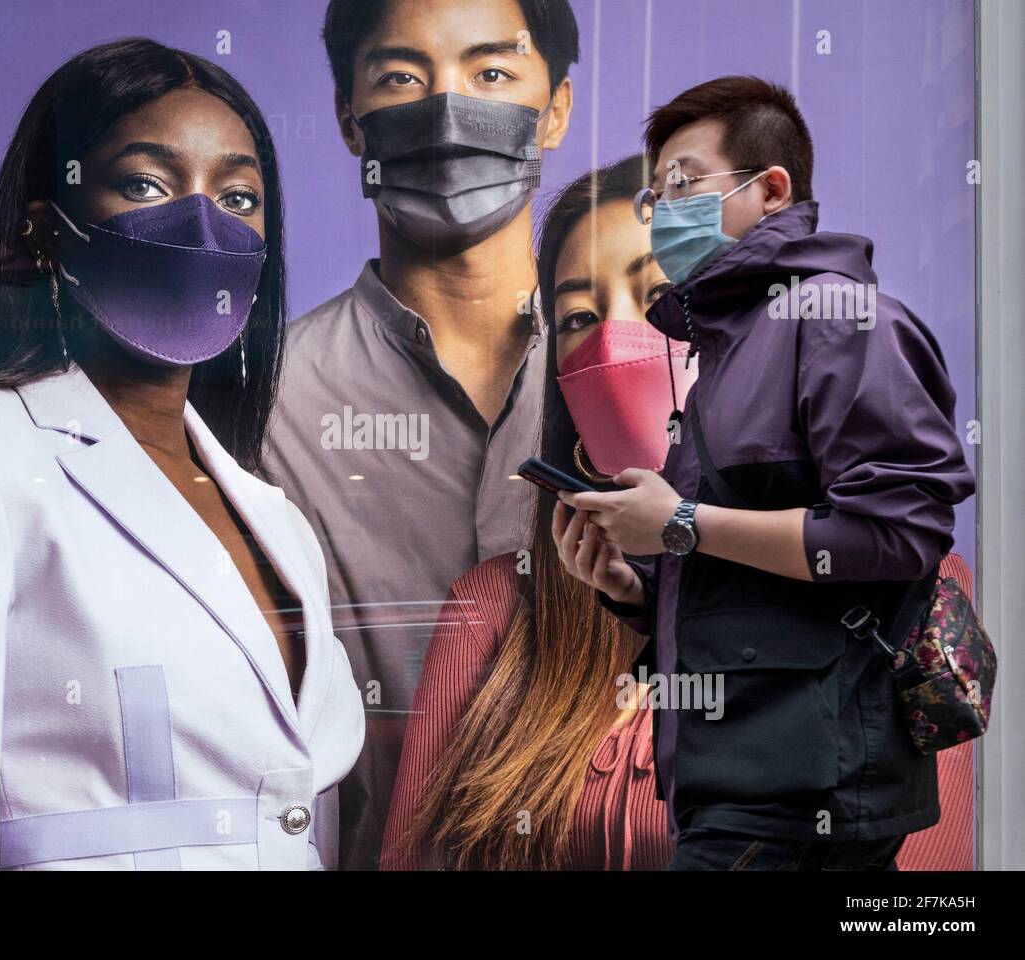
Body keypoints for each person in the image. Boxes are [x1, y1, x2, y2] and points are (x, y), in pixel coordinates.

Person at [0, 38, 364, 871]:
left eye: (240, 195)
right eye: (146, 183)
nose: (202, 221)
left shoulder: (277, 520)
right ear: (48, 231)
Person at [383, 157, 981, 871]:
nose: (616, 340)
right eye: (578, 316)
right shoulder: (491, 608)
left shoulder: (903, 583)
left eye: (665, 296)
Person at [553, 76, 976, 870]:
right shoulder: (732, 346)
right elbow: (747, 579)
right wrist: (629, 583)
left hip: (797, 794)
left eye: (682, 183)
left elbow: (899, 532)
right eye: (657, 194)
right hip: (737, 787)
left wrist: (680, 523)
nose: (664, 211)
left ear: (771, 189)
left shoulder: (842, 323)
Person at [259, 0, 579, 871]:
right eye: (402, 76)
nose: (447, 111)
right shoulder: (260, 405)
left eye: (492, 74)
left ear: (556, 109)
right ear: (347, 118)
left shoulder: (671, 369)